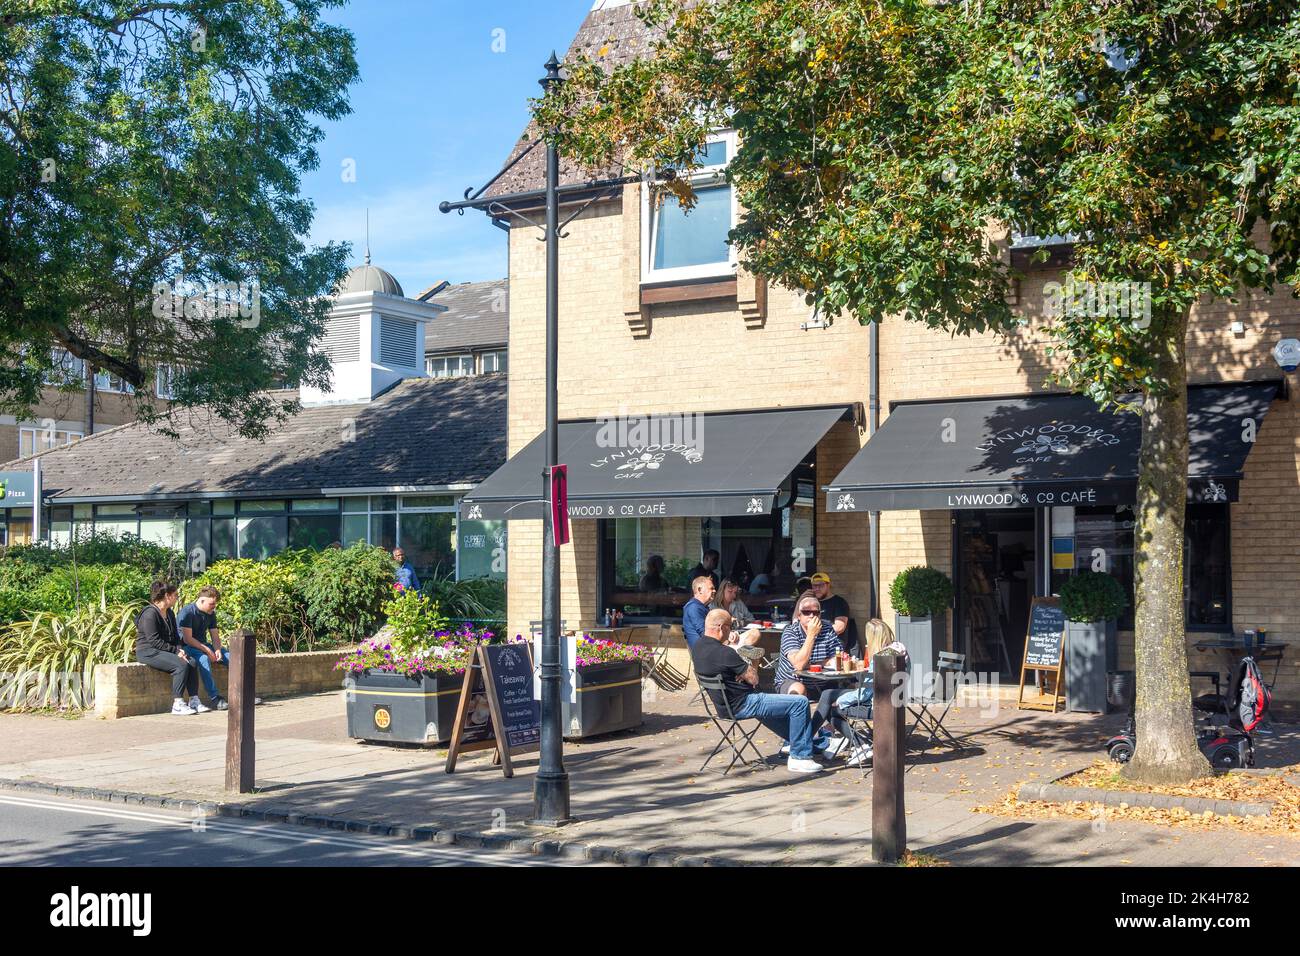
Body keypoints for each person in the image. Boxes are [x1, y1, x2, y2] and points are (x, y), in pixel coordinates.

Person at [691, 608, 822, 773]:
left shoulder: (697, 648)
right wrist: (754, 661)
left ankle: (800, 743)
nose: (731, 631)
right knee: (800, 703)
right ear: (722, 628)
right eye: (730, 627)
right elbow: (754, 679)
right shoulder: (725, 653)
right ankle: (800, 758)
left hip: (724, 707)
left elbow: (723, 670)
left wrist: (737, 671)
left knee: (782, 708)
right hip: (745, 703)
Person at [776, 590, 856, 758]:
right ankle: (793, 739)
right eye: (806, 612)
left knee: (838, 693)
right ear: (799, 615)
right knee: (799, 690)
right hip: (791, 680)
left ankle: (820, 735)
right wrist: (811, 635)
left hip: (822, 682)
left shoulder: (827, 629)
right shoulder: (790, 632)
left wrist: (816, 663)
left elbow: (838, 657)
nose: (811, 616)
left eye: (815, 612)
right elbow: (798, 664)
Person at [177, 586, 262, 710]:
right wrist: (207, 651)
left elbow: (215, 636)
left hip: (203, 645)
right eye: (211, 603)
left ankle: (244, 695)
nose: (214, 606)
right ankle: (215, 698)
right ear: (201, 601)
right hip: (188, 647)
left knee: (232, 658)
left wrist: (217, 650)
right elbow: (187, 639)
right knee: (204, 659)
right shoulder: (188, 612)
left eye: (215, 604)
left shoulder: (211, 614)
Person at [135, 580, 204, 715]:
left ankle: (194, 700)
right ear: (167, 596)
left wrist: (180, 649)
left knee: (192, 662)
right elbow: (154, 641)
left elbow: (175, 636)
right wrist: (175, 651)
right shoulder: (150, 614)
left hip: (163, 649)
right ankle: (177, 703)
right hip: (148, 651)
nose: (177, 598)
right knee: (181, 665)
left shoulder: (170, 613)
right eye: (175, 595)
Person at [810, 571, 852, 650]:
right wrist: (801, 599)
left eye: (821, 585)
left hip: (832, 645)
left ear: (828, 585)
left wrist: (814, 632)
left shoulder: (839, 602)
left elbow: (839, 627)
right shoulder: (811, 602)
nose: (817, 588)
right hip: (811, 642)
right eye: (814, 586)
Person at [681, 575, 716, 650]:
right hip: (705, 653)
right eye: (711, 588)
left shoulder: (702, 607)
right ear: (700, 590)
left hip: (709, 648)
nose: (714, 591)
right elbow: (706, 633)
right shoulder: (693, 607)